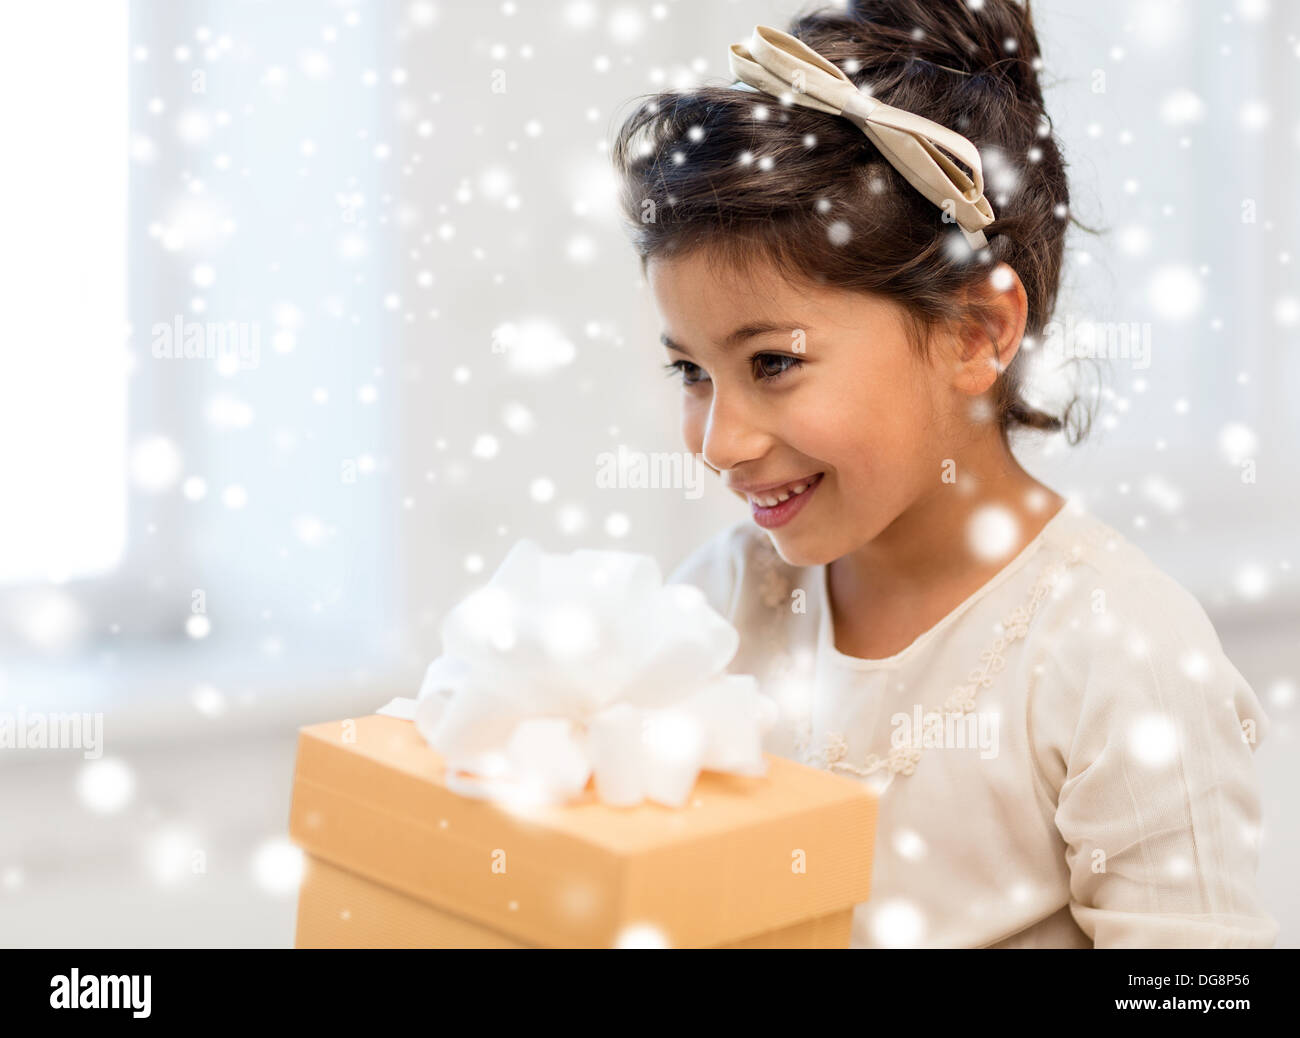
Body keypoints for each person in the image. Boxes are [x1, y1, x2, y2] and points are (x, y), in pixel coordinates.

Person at [610, 1, 1279, 948]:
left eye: (772, 363)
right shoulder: (721, 605)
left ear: (975, 333)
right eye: (691, 372)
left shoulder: (1115, 653)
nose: (719, 443)